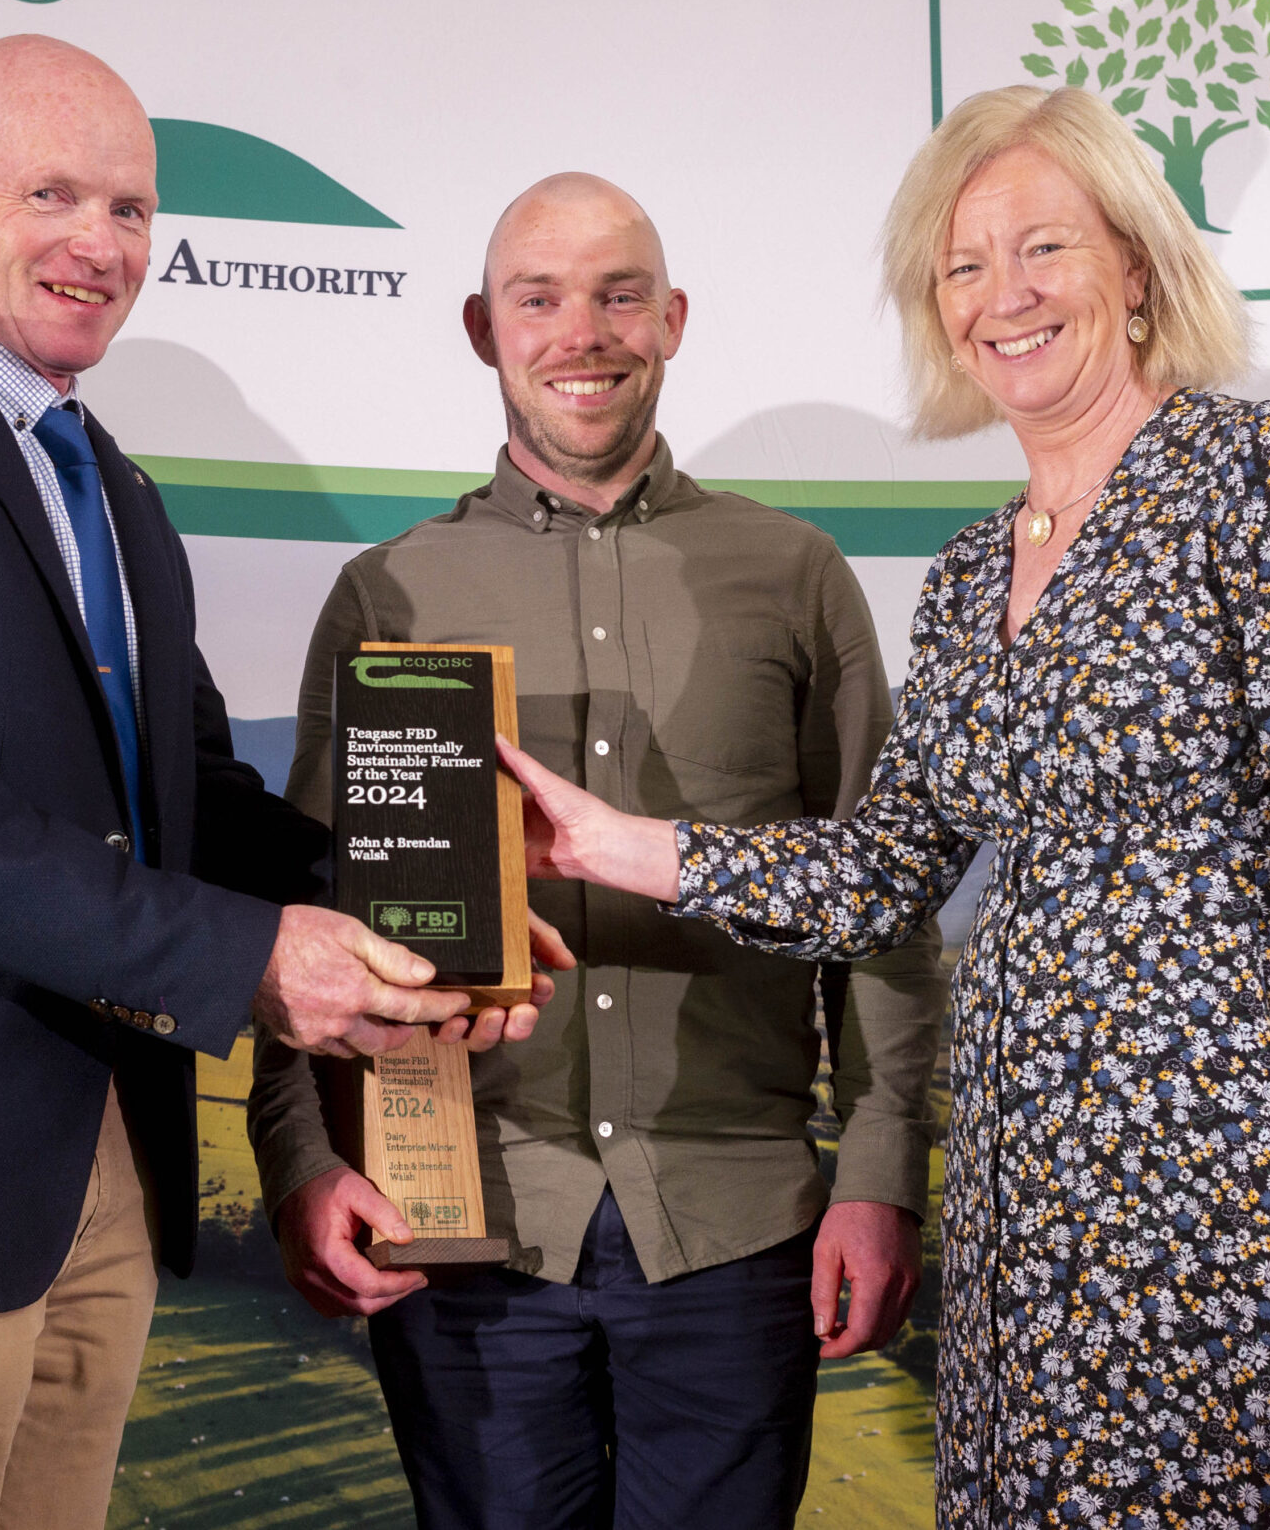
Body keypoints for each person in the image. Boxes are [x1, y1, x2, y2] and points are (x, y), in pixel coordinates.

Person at [496, 89, 1270, 1530]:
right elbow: (886, 865)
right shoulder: (967, 575)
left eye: (1044, 249)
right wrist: (608, 844)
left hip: (1234, 1181)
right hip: (1033, 1197)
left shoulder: (1263, 473)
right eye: (964, 267)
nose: (1003, 297)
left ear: (1137, 269)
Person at [0, 35, 566, 1530]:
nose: (101, 245)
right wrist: (250, 960)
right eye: (54, 194)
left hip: (95, 1173)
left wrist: (428, 910)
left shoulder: (117, 486)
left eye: (132, 209)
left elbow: (193, 792)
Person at [244, 173, 943, 1530]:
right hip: (470, 1220)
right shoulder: (390, 592)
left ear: (672, 317)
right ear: (481, 327)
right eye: (540, 298)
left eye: (621, 294)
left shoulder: (794, 575)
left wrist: (877, 1171)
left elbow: (885, 900)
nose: (585, 331)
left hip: (738, 1228)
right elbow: (310, 912)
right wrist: (301, 1156)